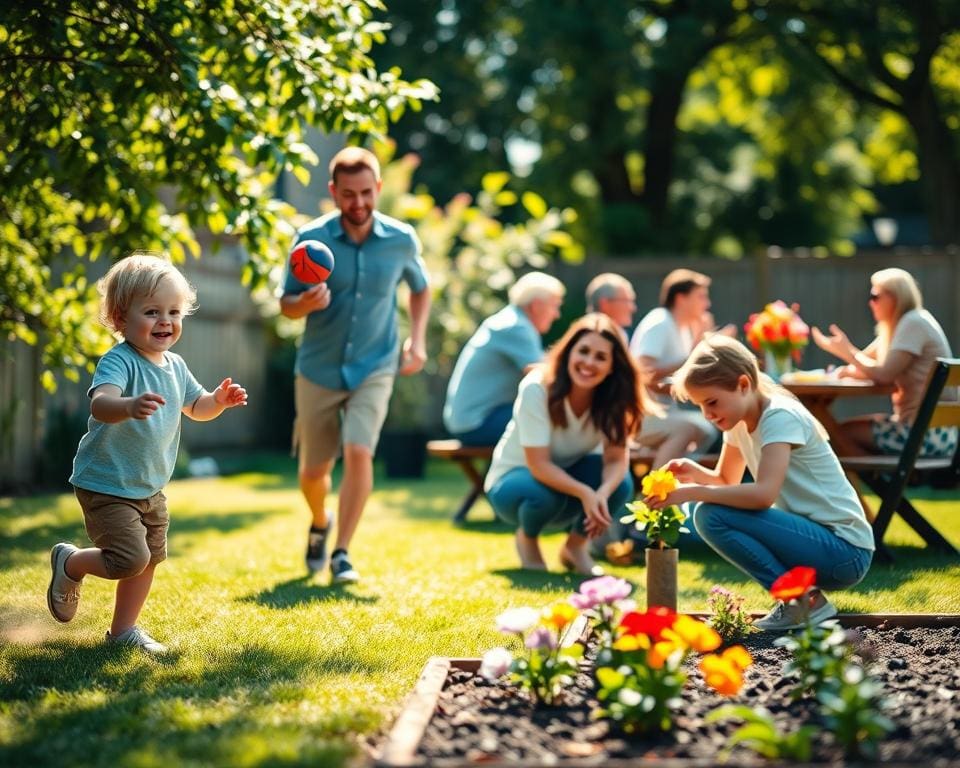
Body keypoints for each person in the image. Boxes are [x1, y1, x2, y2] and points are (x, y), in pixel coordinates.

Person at [46, 254, 248, 654]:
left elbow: (197, 407)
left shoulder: (175, 365)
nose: (165, 321)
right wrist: (128, 406)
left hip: (149, 486)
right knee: (129, 558)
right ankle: (71, 564)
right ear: (121, 317)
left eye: (174, 311)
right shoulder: (119, 361)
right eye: (152, 311)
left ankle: (123, 630)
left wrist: (218, 401)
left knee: (150, 558)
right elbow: (100, 403)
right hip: (106, 482)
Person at [644, 335, 874, 632]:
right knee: (709, 514)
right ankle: (802, 601)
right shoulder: (737, 420)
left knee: (708, 513)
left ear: (743, 385)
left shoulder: (779, 416)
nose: (708, 414)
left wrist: (690, 492)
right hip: (815, 543)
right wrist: (694, 471)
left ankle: (803, 603)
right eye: (701, 405)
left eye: (712, 402)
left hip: (845, 551)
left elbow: (764, 495)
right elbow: (726, 481)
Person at [280, 146, 430, 583]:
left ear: (379, 188)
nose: (359, 203)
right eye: (349, 194)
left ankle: (342, 552)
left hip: (375, 364)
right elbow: (285, 305)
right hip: (319, 368)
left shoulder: (401, 239)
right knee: (313, 472)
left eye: (366, 192)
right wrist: (304, 302)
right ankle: (320, 520)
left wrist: (416, 341)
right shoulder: (312, 239)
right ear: (333, 191)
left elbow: (421, 288)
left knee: (360, 449)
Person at [484, 313, 652, 575]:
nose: (588, 362)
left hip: (565, 482)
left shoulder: (614, 398)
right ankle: (527, 539)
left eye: (600, 357)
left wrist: (602, 494)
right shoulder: (536, 388)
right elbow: (538, 465)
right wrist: (586, 493)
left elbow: (617, 460)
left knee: (622, 484)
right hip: (513, 484)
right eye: (583, 351)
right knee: (541, 494)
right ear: (567, 353)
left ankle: (575, 547)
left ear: (612, 366)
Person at [812, 267, 958, 458]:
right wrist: (846, 364)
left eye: (875, 296)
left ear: (896, 297)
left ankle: (882, 485)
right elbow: (867, 365)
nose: (870, 303)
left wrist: (847, 352)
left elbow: (882, 374)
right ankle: (883, 483)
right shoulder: (900, 326)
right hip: (936, 434)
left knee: (837, 433)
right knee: (838, 430)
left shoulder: (912, 323)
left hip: (925, 436)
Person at [443, 272, 565, 446]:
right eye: (555, 306)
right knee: (554, 419)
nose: (557, 314)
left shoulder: (511, 321)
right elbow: (542, 374)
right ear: (537, 305)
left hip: (471, 419)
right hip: (478, 422)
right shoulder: (516, 327)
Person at [629, 268, 733, 467]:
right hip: (640, 414)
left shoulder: (682, 328)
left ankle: (677, 485)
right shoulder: (660, 322)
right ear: (681, 298)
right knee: (689, 428)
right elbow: (642, 374)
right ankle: (654, 490)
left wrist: (703, 339)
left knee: (709, 426)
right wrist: (695, 352)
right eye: (701, 297)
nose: (707, 304)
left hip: (664, 411)